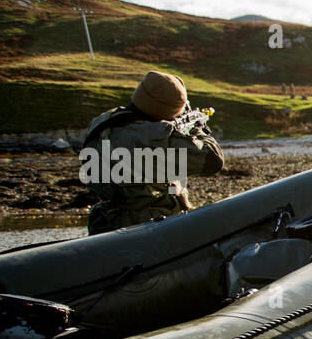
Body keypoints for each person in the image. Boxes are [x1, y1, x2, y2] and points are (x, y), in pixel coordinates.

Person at [80, 70, 224, 235]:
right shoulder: (155, 137)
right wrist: (197, 130)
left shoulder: (105, 121)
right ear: (165, 111)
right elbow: (214, 160)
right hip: (150, 227)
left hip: (106, 222)